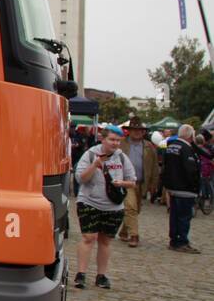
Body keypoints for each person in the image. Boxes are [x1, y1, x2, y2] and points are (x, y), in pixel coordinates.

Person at [73, 124, 135, 290]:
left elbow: (132, 181)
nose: (115, 143)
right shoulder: (91, 154)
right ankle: (81, 274)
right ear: (103, 139)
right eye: (112, 140)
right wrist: (95, 165)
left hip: (113, 206)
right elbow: (81, 178)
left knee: (105, 241)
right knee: (89, 237)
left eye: (118, 140)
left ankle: (101, 275)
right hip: (89, 202)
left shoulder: (122, 157)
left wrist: (121, 183)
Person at [117, 116, 159, 247]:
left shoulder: (149, 147)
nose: (136, 132)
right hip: (125, 181)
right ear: (128, 131)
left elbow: (154, 167)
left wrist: (153, 185)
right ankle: (134, 235)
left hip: (140, 183)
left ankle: (124, 231)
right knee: (130, 207)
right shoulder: (120, 143)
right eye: (133, 129)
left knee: (136, 209)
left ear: (143, 132)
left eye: (139, 130)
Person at [161, 124, 201, 253]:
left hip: (173, 187)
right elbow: (191, 170)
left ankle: (174, 240)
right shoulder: (186, 148)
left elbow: (164, 166)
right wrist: (195, 186)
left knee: (174, 215)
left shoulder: (171, 146)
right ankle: (182, 241)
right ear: (191, 135)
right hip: (185, 188)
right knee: (184, 216)